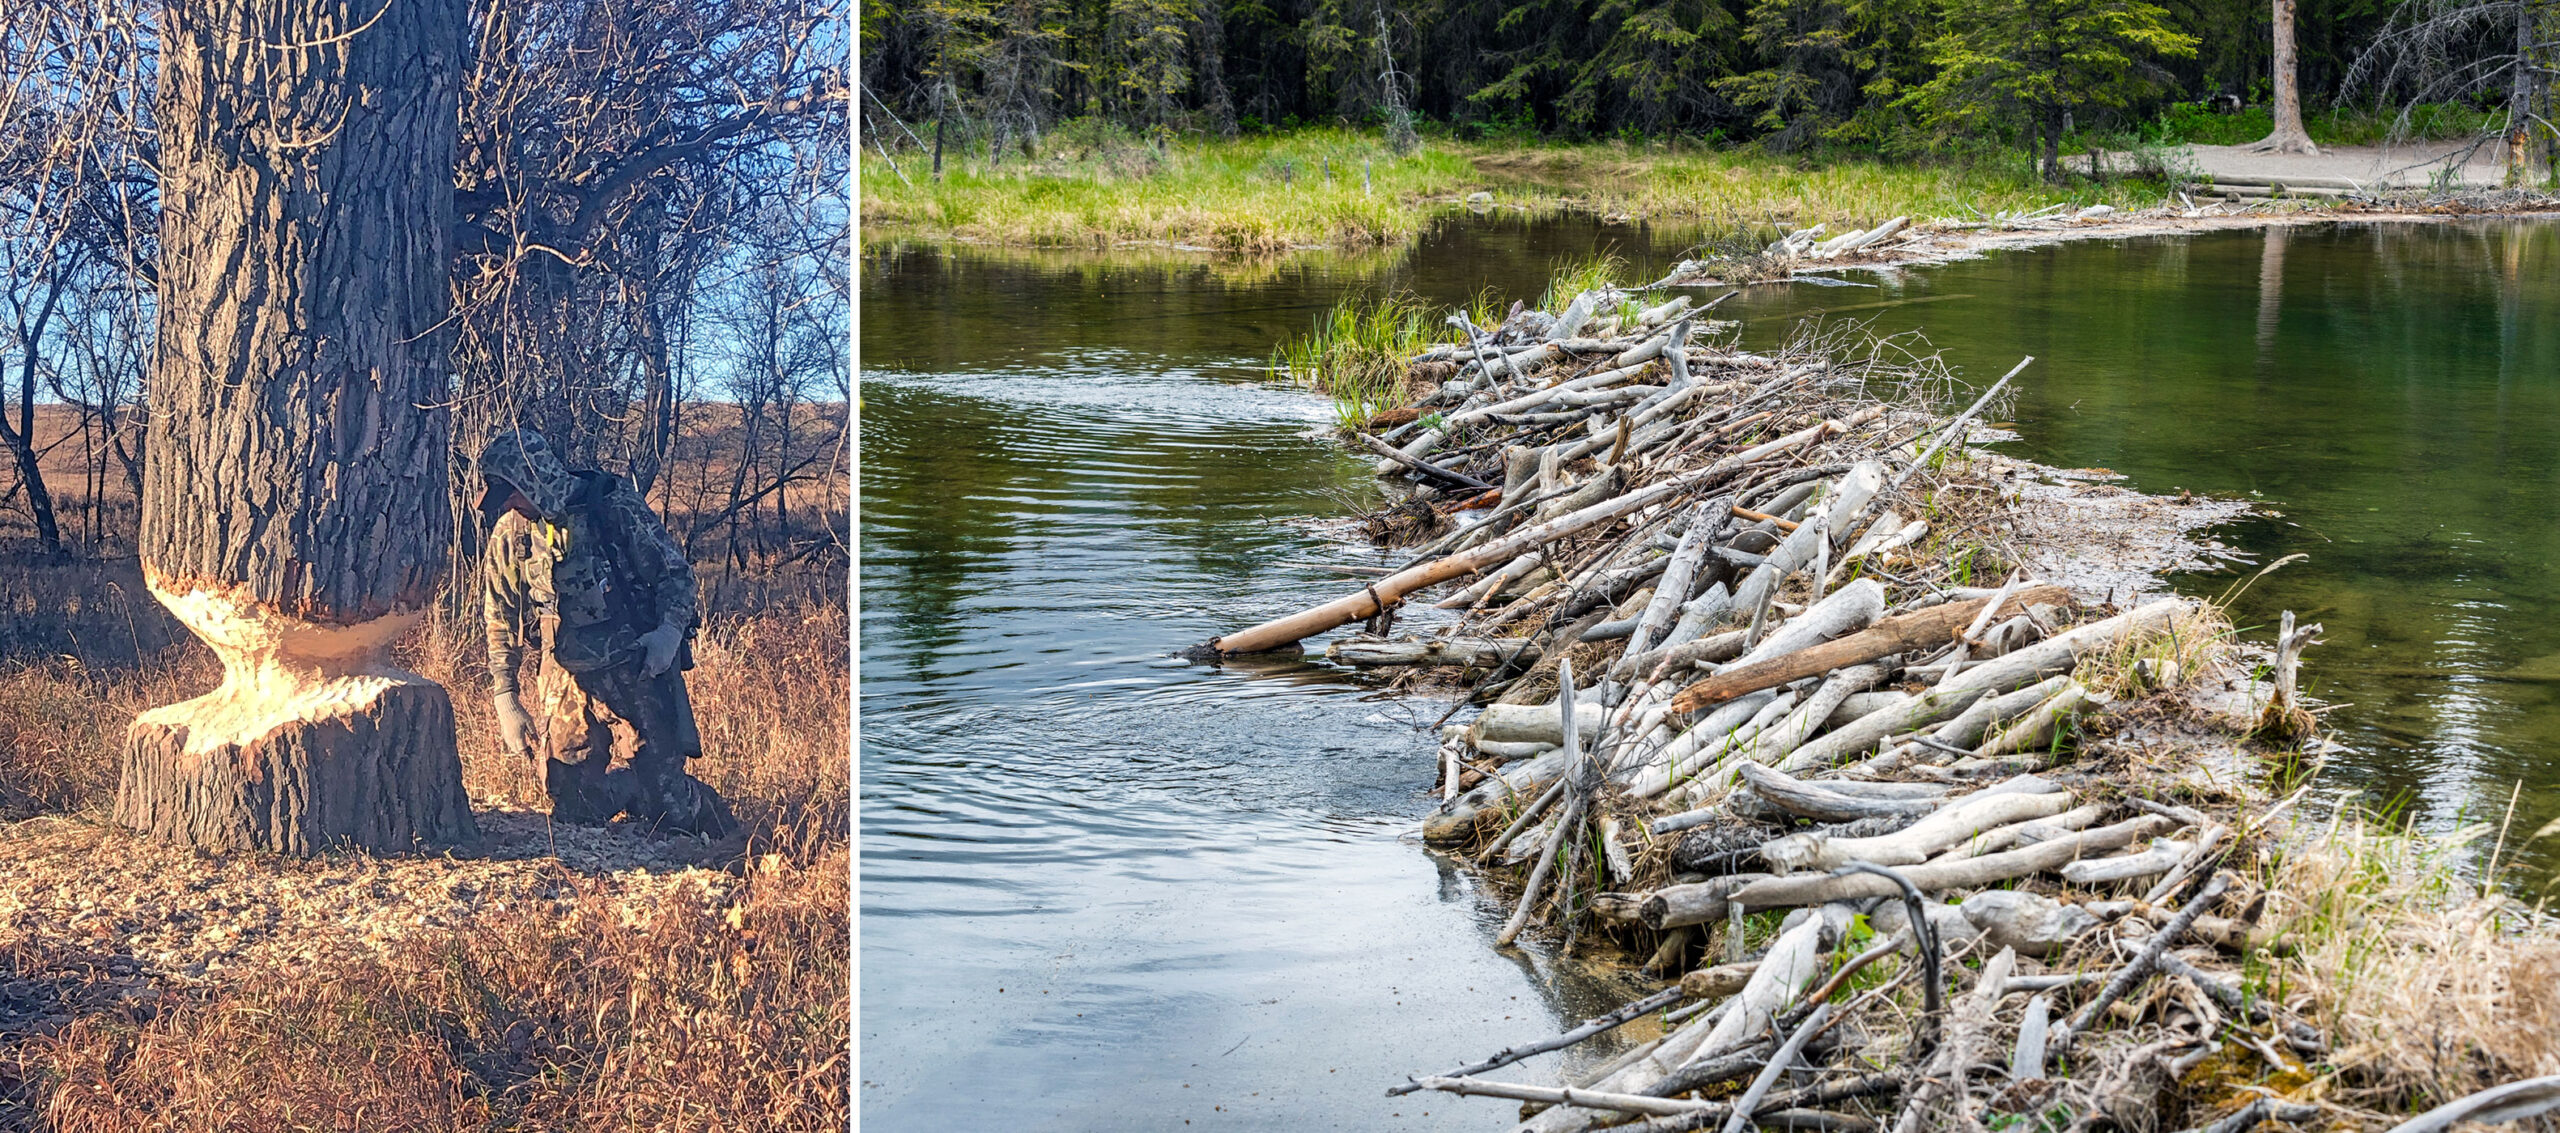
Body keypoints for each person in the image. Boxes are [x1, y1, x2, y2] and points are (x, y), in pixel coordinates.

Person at [477, 428, 735, 837]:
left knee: (671, 805)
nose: (509, 506)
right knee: (573, 804)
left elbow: (677, 577)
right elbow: (500, 614)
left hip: (634, 663)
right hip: (564, 671)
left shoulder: (611, 508)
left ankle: (729, 839)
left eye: (513, 494)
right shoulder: (512, 533)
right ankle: (629, 789)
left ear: (536, 479)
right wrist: (506, 696)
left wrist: (668, 634)